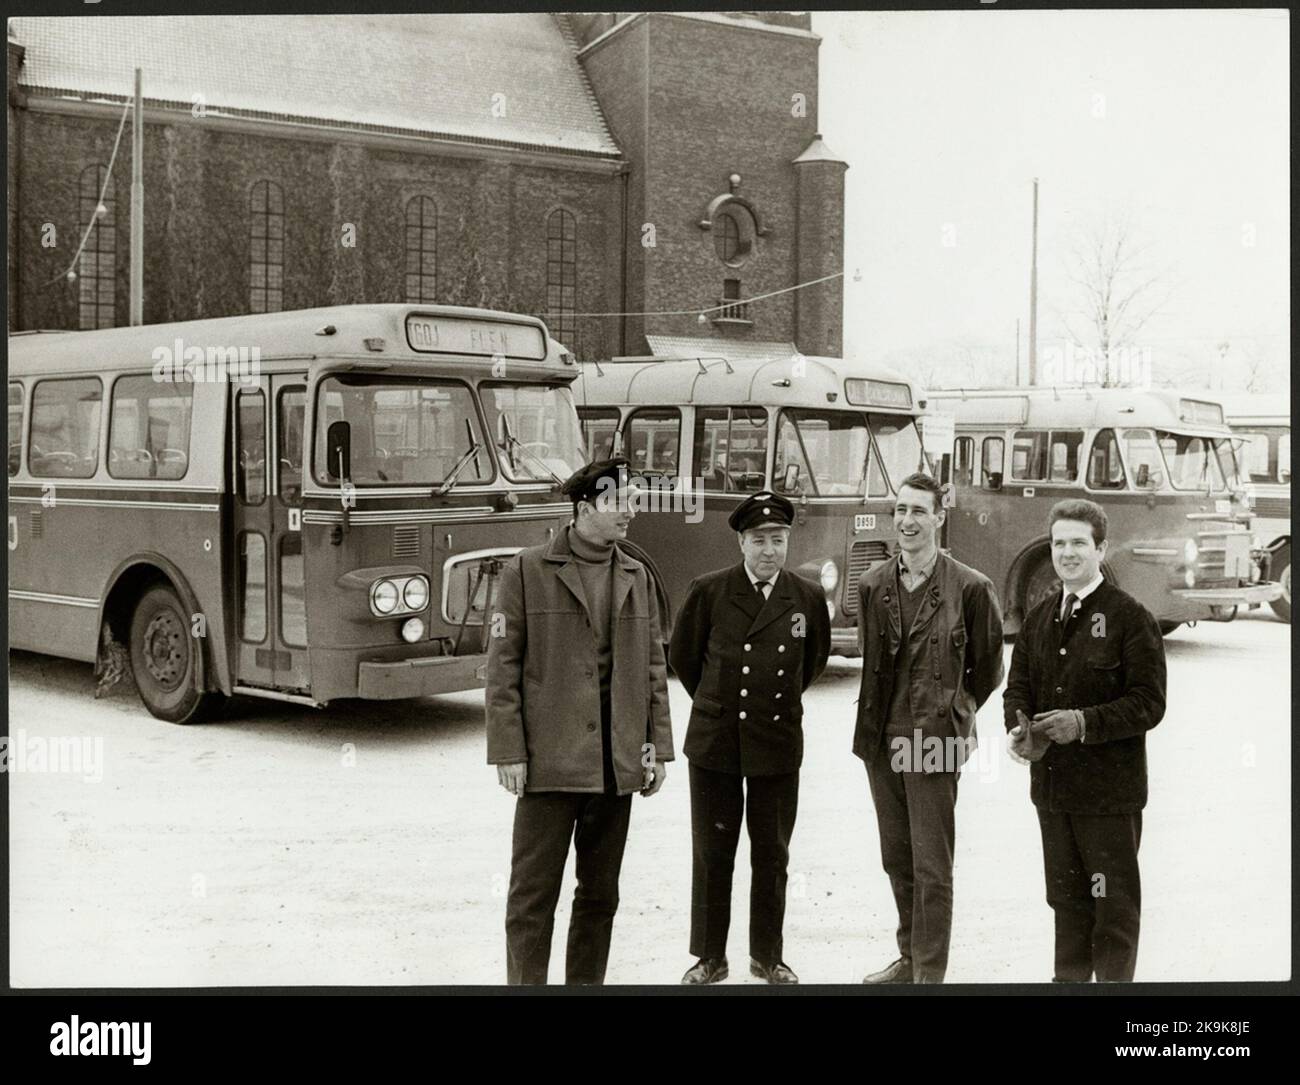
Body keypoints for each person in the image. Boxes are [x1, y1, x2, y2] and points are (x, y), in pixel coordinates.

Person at [486, 456, 674, 985]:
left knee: (600, 895)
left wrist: (658, 749)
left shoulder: (637, 573)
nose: (631, 512)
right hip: (550, 764)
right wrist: (508, 751)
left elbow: (654, 667)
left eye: (635, 500)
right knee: (532, 898)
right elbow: (502, 668)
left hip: (615, 768)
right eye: (620, 501)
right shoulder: (525, 570)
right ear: (586, 507)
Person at [670, 491, 831, 985]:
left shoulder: (805, 597)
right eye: (759, 540)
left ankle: (768, 955)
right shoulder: (710, 590)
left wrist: (768, 704)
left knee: (772, 854)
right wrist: (720, 704)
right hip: (717, 741)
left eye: (778, 540)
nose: (769, 550)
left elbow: (814, 661)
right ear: (741, 542)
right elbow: (684, 658)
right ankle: (709, 957)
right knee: (713, 852)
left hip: (777, 740)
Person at [1004, 499, 1166, 982]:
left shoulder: (1129, 618)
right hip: (1054, 793)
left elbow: (1149, 703)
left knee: (1112, 911)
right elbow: (1019, 688)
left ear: (1102, 549)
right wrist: (1019, 729)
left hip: (1109, 797)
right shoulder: (1037, 618)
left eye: (1079, 543)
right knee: (1067, 904)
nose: (1068, 553)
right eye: (1059, 544)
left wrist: (1085, 722)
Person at [854, 472, 1004, 984]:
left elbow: (986, 673)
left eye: (919, 511)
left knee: (932, 865)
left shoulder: (971, 587)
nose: (907, 521)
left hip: (933, 743)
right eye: (900, 511)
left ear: (940, 517)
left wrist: (950, 715)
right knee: (896, 855)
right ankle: (909, 956)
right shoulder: (873, 584)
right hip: (881, 741)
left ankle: (929, 973)